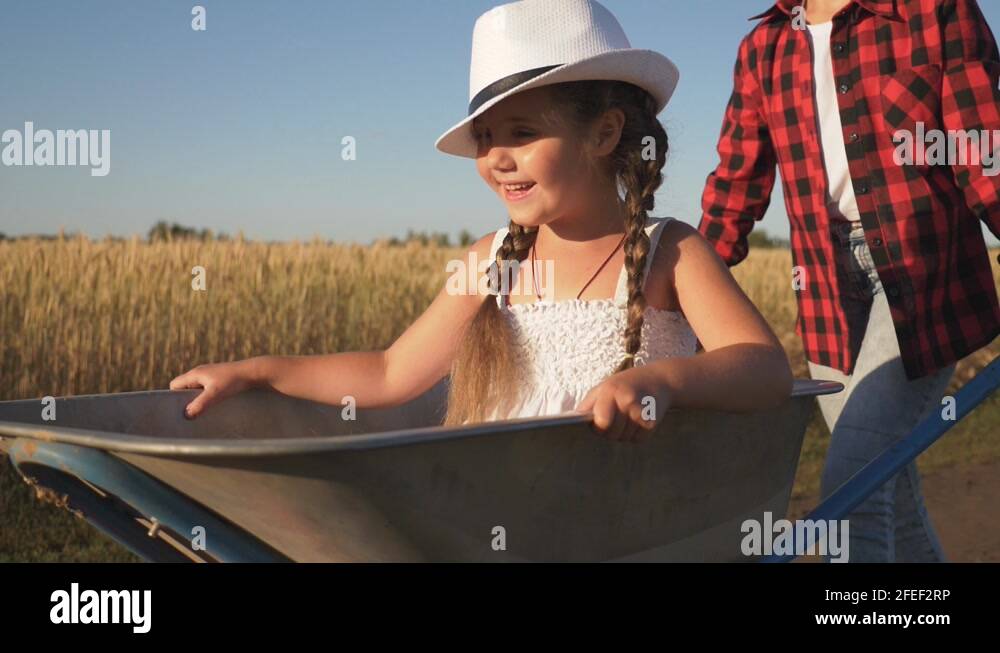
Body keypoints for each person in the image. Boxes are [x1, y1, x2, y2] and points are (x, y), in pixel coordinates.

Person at [171, 0, 792, 443]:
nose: (496, 158)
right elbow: (390, 373)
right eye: (486, 137)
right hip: (490, 512)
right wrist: (258, 370)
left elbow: (764, 368)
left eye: (523, 133)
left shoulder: (670, 253)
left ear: (604, 133)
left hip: (615, 516)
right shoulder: (491, 262)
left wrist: (664, 381)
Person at [698, 0, 1000, 561]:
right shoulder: (764, 48)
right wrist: (683, 302)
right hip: (827, 291)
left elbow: (982, 152)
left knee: (851, 482)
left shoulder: (936, 11)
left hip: (921, 276)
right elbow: (735, 185)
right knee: (887, 489)